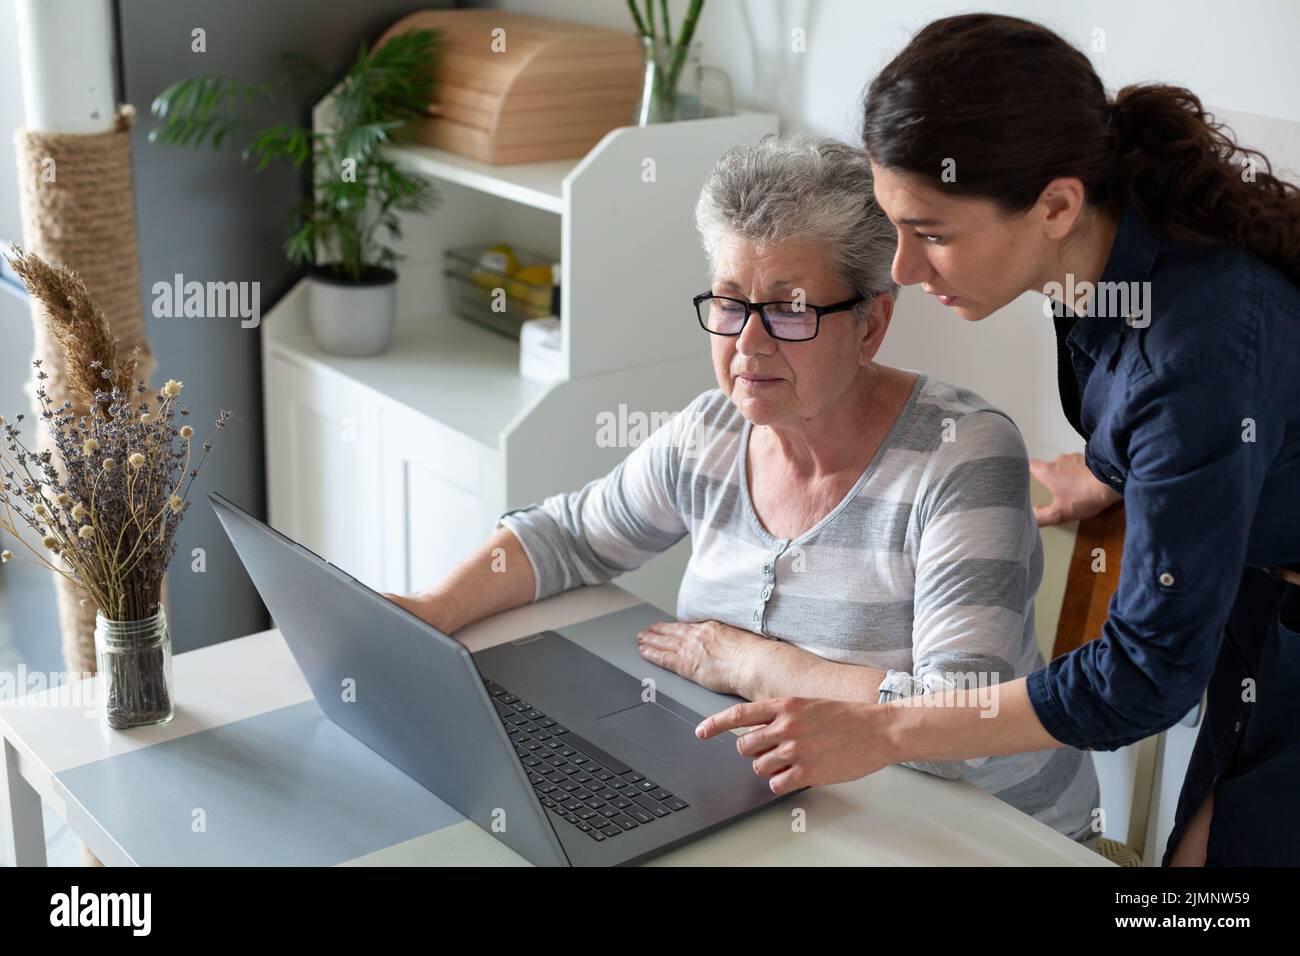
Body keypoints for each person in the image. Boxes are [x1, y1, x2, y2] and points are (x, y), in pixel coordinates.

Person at [697, 13, 1300, 867]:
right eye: (895, 225)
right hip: (1260, 592)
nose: (902, 269)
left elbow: (1140, 680)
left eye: (932, 234)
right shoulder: (1102, 250)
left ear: (1056, 204)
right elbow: (1207, 417)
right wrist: (1127, 473)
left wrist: (888, 728)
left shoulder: (1198, 355)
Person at [384, 136, 1100, 843]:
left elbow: (964, 720)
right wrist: (429, 611)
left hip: (985, 837)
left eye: (789, 310)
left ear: (870, 324)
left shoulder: (960, 455)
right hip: (797, 814)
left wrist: (757, 664)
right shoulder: (712, 431)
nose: (748, 346)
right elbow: (565, 538)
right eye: (729, 304)